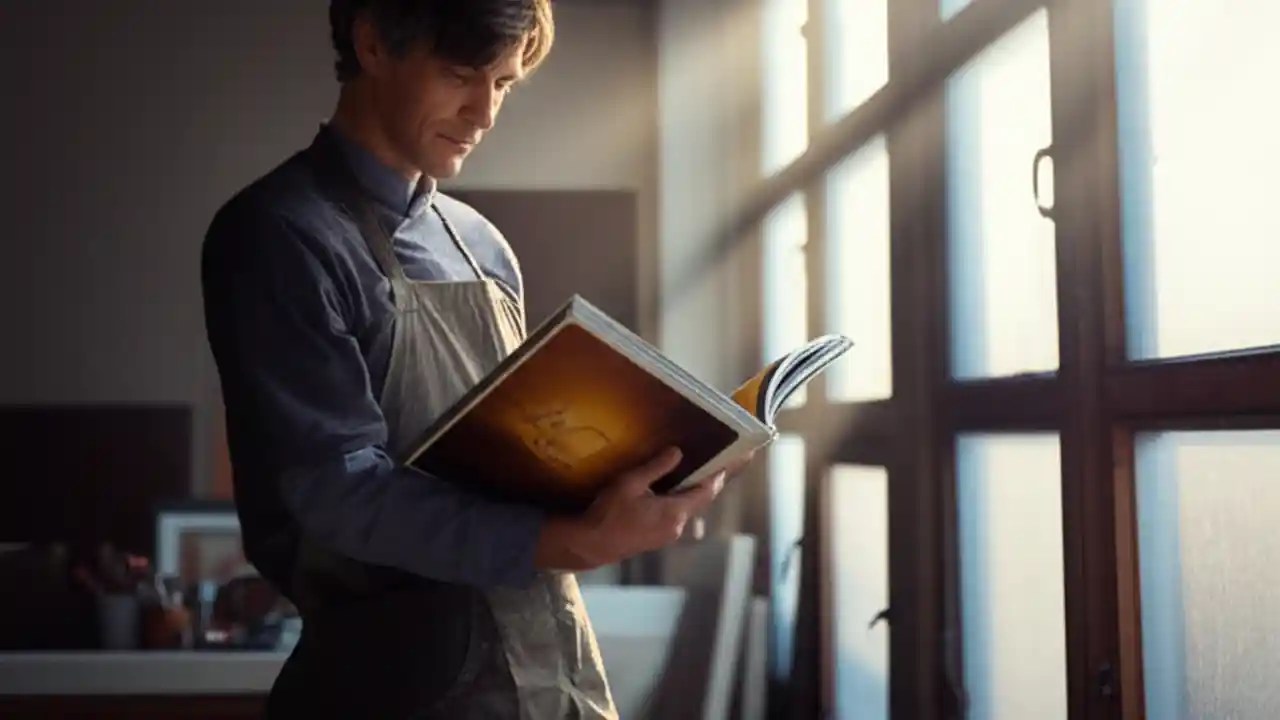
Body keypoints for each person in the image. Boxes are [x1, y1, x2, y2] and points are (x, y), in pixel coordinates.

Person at [200, 1, 748, 717]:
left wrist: (637, 483)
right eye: (462, 75)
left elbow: (525, 454)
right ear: (372, 41)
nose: (485, 111)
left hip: (549, 671)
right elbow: (337, 490)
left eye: (505, 84)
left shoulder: (481, 246)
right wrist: (563, 541)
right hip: (392, 684)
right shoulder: (279, 234)